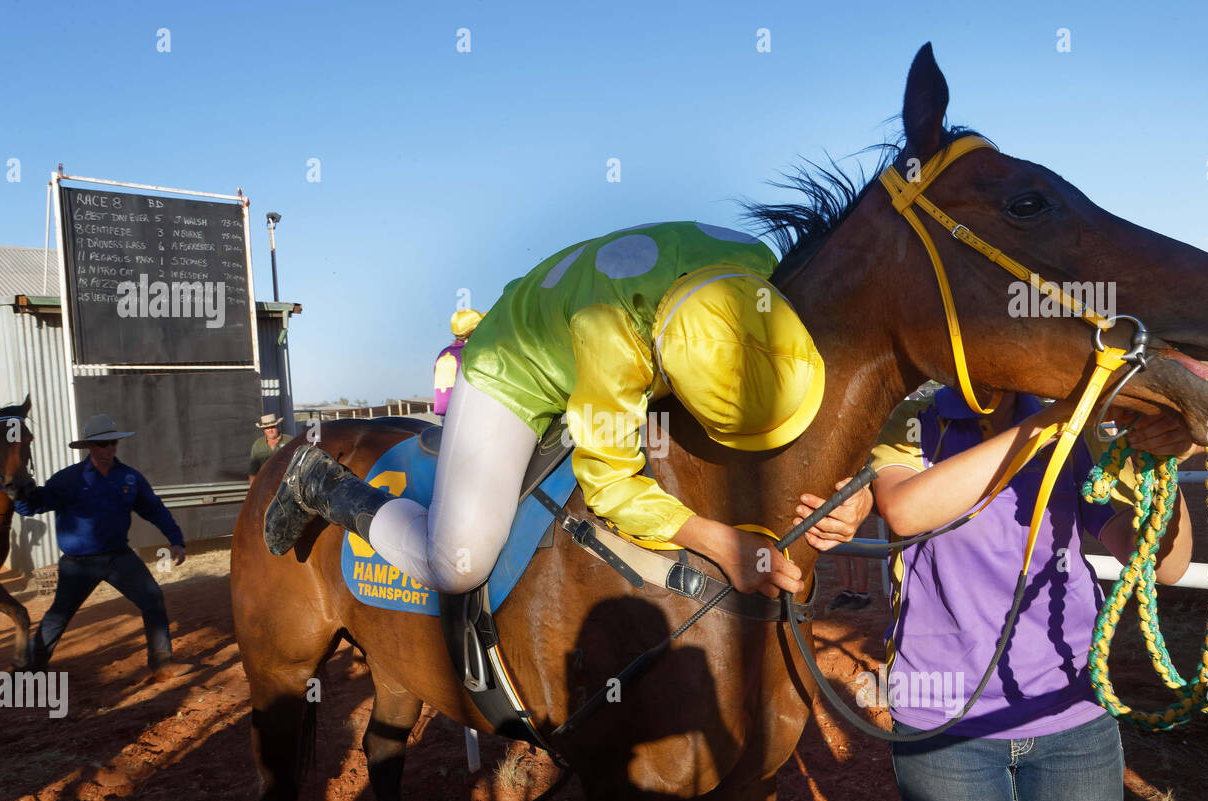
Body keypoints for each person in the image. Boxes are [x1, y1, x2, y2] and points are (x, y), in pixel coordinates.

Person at [265, 220, 873, 598]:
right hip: (516, 362)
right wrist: (724, 543)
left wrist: (863, 490)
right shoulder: (616, 349)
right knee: (457, 563)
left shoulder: (761, 264)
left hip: (606, 307)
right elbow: (610, 488)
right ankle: (327, 488)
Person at [797, 387, 1194, 801]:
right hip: (943, 720)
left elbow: (1163, 565)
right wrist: (1054, 419)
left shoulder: (1079, 433)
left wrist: (1162, 465)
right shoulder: (913, 421)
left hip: (1073, 715)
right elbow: (905, 511)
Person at [14, 414, 191, 682]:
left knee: (152, 598)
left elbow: (154, 509)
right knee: (58, 617)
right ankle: (28, 671)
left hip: (119, 557)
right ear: (89, 447)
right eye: (104, 444)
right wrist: (18, 493)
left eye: (113, 443)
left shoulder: (129, 478)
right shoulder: (67, 480)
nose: (110, 449)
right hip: (78, 564)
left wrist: (175, 539)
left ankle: (162, 663)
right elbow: (33, 506)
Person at [433, 309, 483, 416]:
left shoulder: (443, 353)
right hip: (463, 414)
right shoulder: (470, 353)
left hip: (445, 414)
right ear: (473, 332)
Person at [249, 413, 292, 485]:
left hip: (286, 484)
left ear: (277, 426)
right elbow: (253, 470)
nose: (270, 430)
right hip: (265, 484)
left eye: (273, 427)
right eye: (267, 428)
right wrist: (252, 487)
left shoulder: (289, 440)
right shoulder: (258, 444)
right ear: (264, 430)